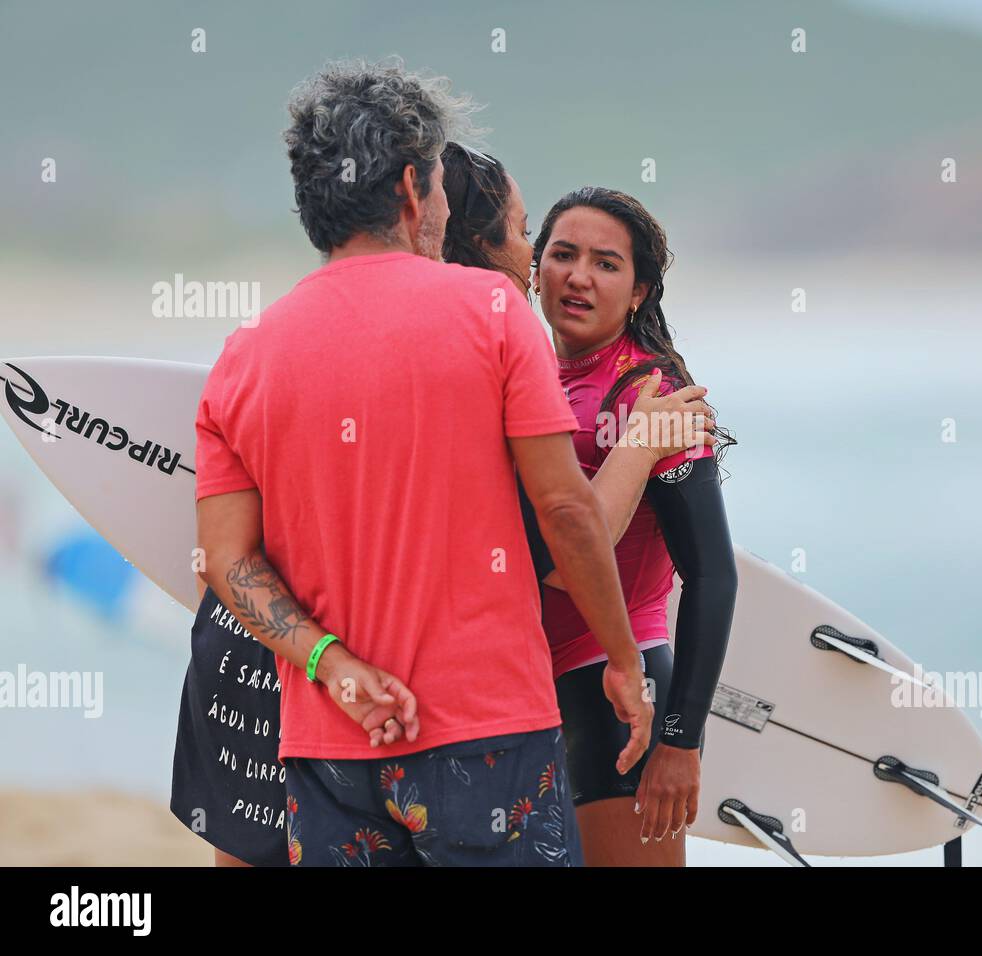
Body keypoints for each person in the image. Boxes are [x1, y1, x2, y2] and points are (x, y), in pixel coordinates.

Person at [189, 59, 655, 868]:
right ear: (411, 188)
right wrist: (622, 660)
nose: (443, 202)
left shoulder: (245, 355)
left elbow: (228, 562)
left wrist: (332, 666)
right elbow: (568, 511)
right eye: (439, 182)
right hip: (490, 736)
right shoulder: (491, 308)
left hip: (329, 746)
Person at [525, 186, 739, 866]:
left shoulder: (654, 396)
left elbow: (712, 576)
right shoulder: (532, 381)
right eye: (563, 255)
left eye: (606, 263)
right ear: (536, 271)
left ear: (640, 290)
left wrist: (681, 741)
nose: (579, 276)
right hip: (530, 691)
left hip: (619, 694)